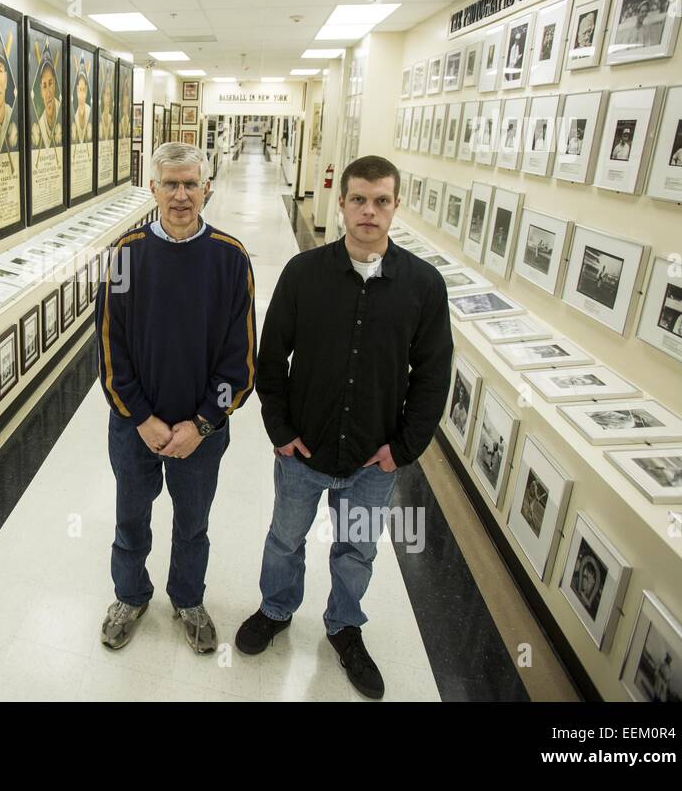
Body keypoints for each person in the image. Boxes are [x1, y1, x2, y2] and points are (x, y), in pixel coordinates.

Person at [236, 155, 453, 700]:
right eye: (358, 199)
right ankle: (276, 609)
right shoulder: (303, 274)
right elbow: (270, 361)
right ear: (342, 202)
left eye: (381, 200)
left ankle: (344, 625)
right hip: (302, 451)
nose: (369, 211)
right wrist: (280, 432)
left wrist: (401, 449)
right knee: (285, 540)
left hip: (370, 461)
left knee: (356, 550)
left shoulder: (423, 287)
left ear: (396, 205)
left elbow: (432, 376)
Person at [96, 142, 256, 655]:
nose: (181, 195)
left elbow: (241, 359)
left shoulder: (231, 259)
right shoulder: (126, 254)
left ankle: (188, 599)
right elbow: (109, 349)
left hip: (200, 435)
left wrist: (203, 424)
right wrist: (141, 418)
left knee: (193, 523)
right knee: (130, 517)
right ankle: (130, 595)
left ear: (206, 188)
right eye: (171, 184)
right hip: (133, 429)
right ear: (154, 190)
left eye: (191, 184)